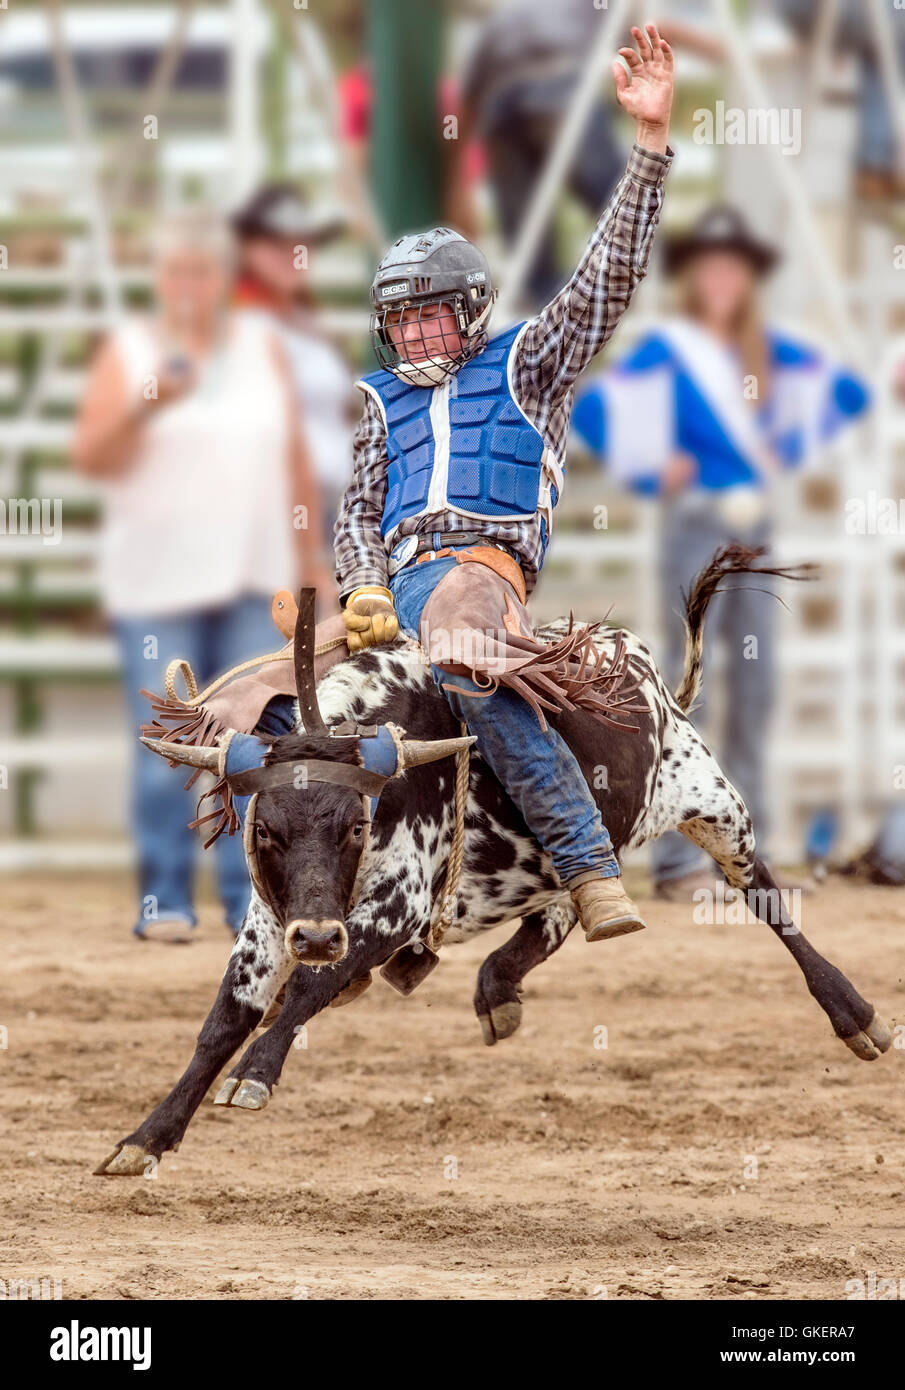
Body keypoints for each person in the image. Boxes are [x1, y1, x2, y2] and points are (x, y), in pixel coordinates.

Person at [334, 22, 675, 945]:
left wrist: (646, 148)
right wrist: (361, 584)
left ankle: (587, 867)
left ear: (472, 311)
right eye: (400, 322)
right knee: (269, 696)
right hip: (391, 582)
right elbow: (358, 509)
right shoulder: (377, 402)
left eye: (432, 316)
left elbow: (605, 284)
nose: (415, 337)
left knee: (465, 655)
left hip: (483, 567)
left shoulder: (526, 364)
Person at [572, 203, 871, 899]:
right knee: (691, 684)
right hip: (695, 524)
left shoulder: (774, 352)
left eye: (731, 266)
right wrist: (654, 470)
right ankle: (678, 866)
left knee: (757, 692)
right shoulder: (668, 351)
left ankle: (747, 864)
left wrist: (785, 448)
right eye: (709, 266)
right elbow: (594, 411)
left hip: (757, 524)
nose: (720, 278)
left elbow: (848, 394)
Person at [72, 209, 325, 942]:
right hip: (158, 581)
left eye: (203, 270)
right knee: (165, 746)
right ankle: (164, 897)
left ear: (222, 278)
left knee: (252, 740)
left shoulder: (261, 347)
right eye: (176, 270)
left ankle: (252, 900)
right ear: (160, 279)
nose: (190, 284)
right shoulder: (128, 351)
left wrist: (311, 560)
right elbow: (94, 457)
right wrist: (153, 401)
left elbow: (293, 460)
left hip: (254, 572)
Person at [232, 185, 358, 551]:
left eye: (299, 245)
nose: (292, 256)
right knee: (302, 604)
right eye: (276, 245)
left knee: (326, 605)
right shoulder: (244, 324)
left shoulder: (301, 318)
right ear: (248, 251)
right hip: (287, 509)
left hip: (332, 503)